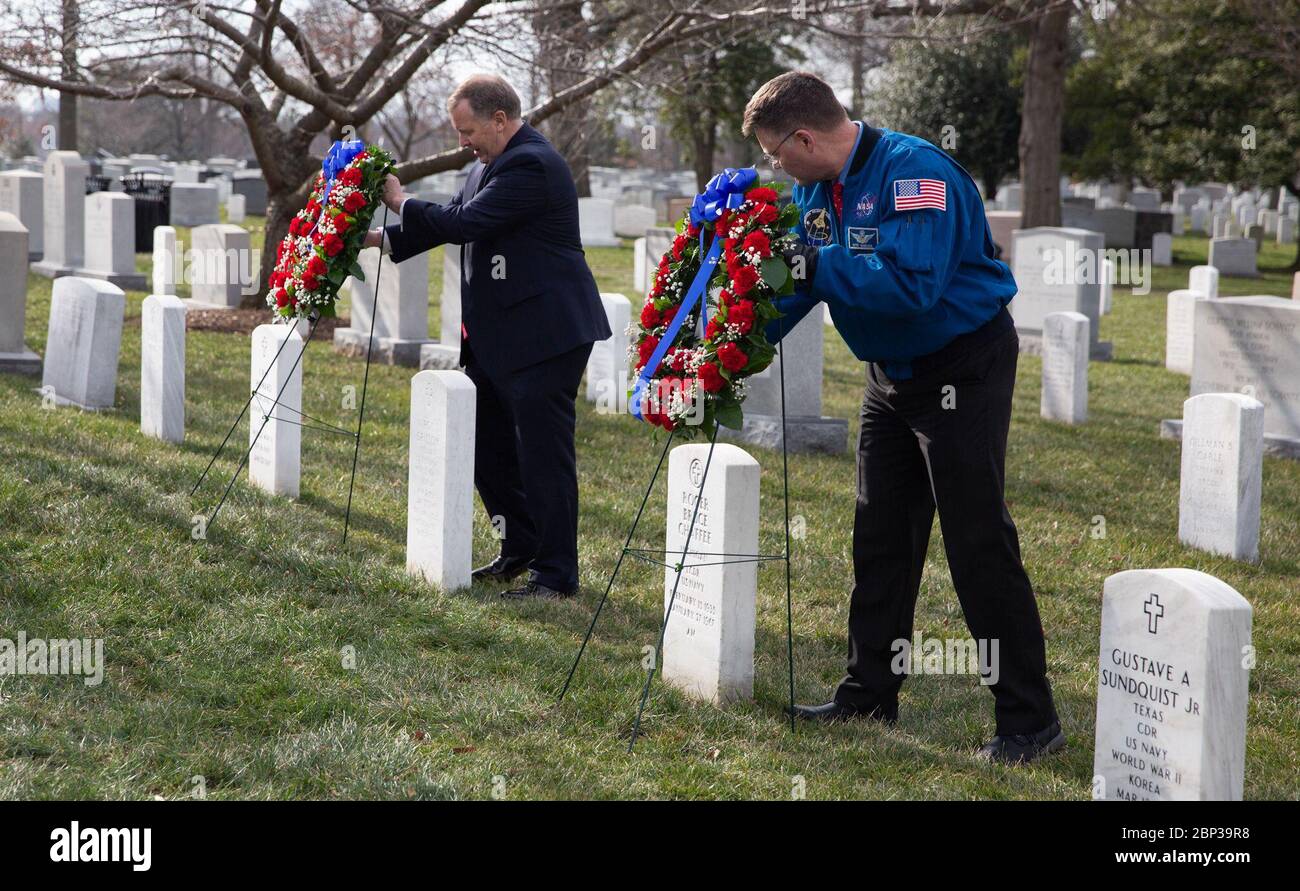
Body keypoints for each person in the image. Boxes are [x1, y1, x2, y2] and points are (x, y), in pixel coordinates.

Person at [742, 71, 1064, 764]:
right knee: (880, 534)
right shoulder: (813, 187)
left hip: (959, 370)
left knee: (977, 540)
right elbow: (802, 279)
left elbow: (910, 286)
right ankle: (868, 693)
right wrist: (738, 343)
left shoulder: (916, 174)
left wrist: (813, 265)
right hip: (888, 378)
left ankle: (1029, 720)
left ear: (802, 137)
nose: (776, 167)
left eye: (775, 153)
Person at [364, 74, 611, 599]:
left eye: (467, 129)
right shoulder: (489, 165)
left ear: (500, 119)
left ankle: (556, 575)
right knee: (489, 449)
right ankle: (519, 545)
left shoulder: (531, 164)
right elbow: (451, 219)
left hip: (546, 335)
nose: (462, 141)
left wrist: (401, 199)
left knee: (542, 455)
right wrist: (369, 238)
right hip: (500, 336)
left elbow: (466, 224)